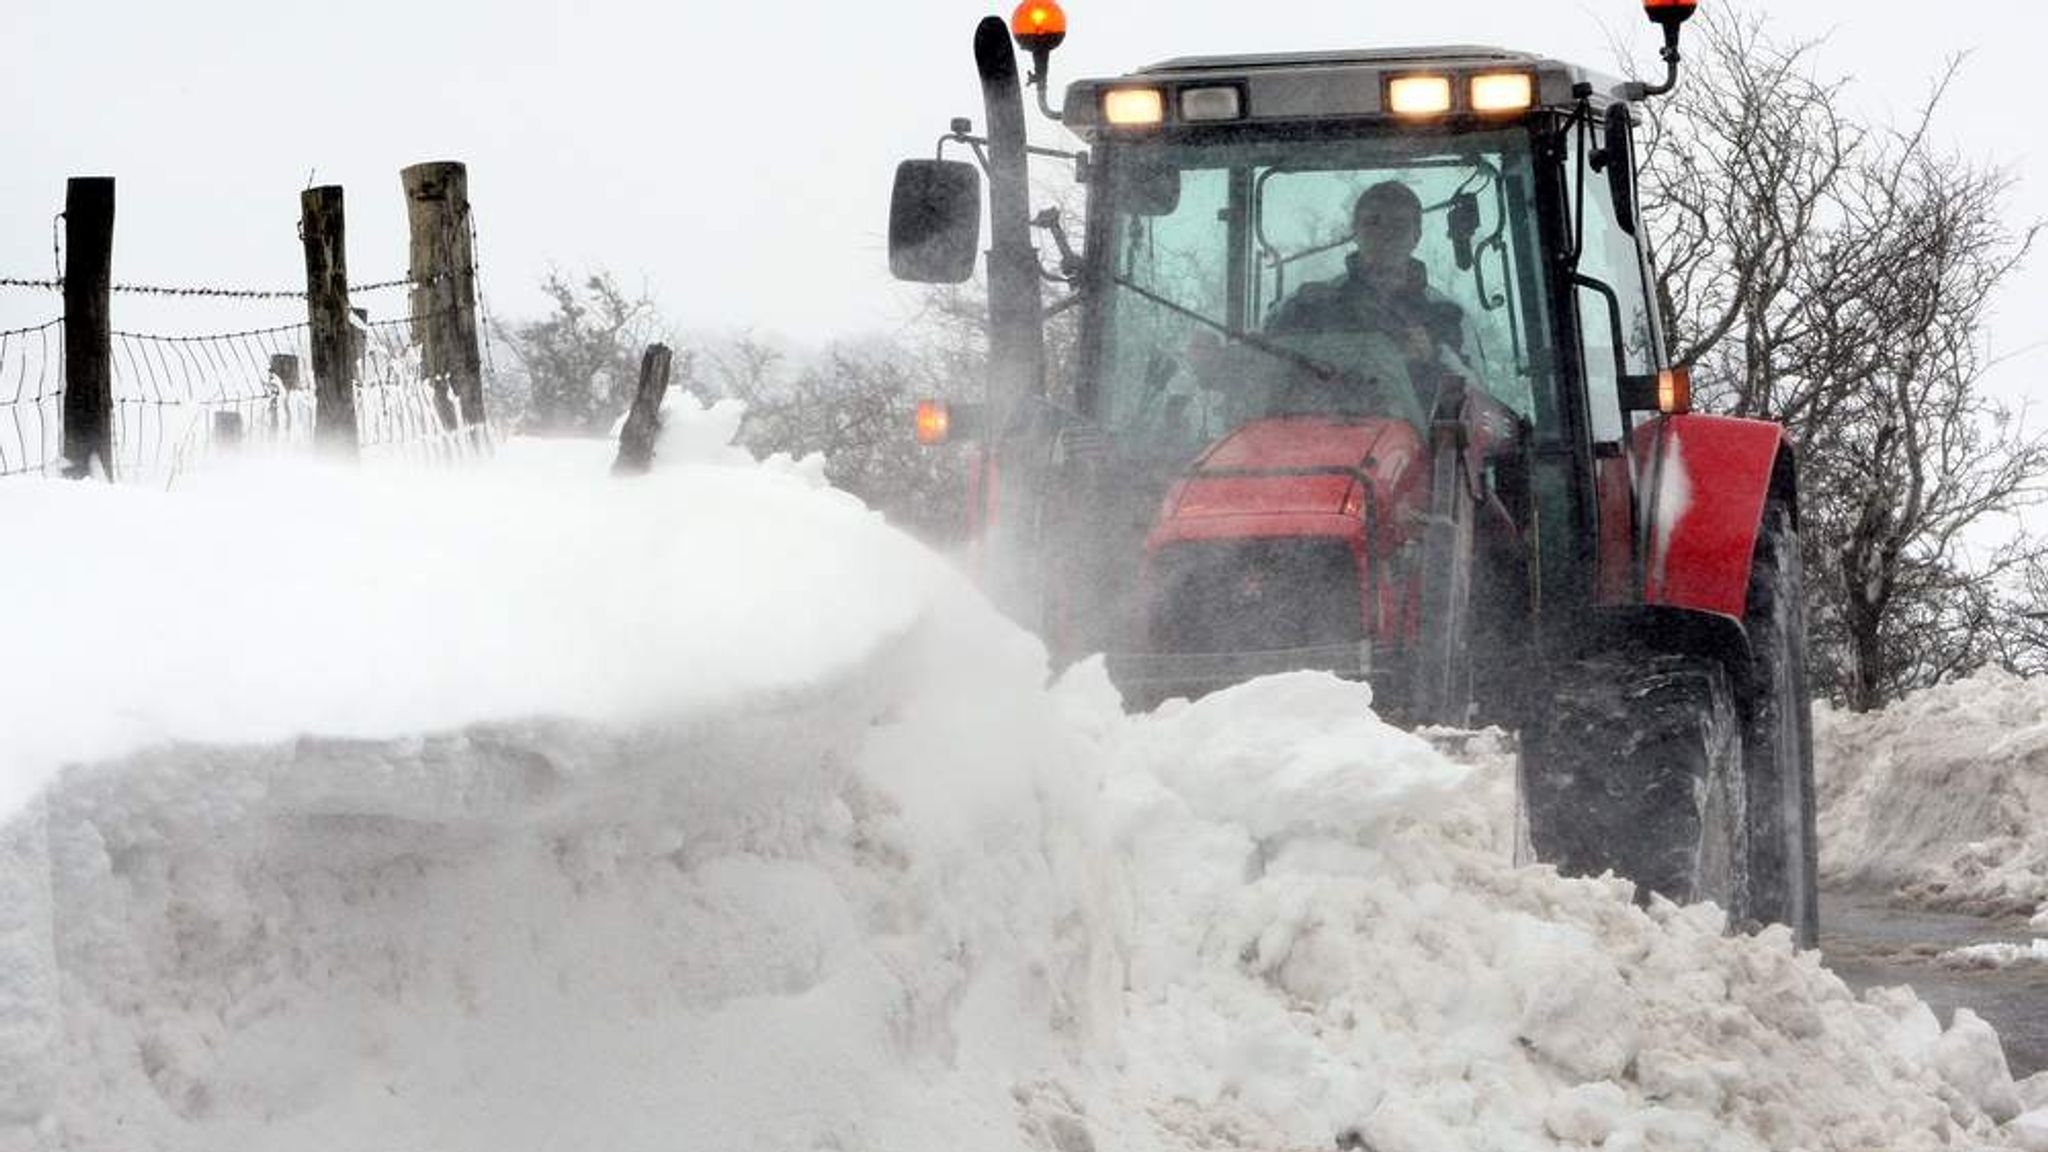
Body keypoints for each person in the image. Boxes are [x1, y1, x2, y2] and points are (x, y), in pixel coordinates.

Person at [1266, 180, 1472, 413]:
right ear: (1355, 232)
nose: (1386, 234)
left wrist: (1429, 361)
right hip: (1317, 437)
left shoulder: (1443, 316)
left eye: (1399, 224)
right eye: (1373, 222)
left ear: (1416, 236)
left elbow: (1467, 404)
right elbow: (1267, 370)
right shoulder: (1311, 306)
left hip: (1413, 445)